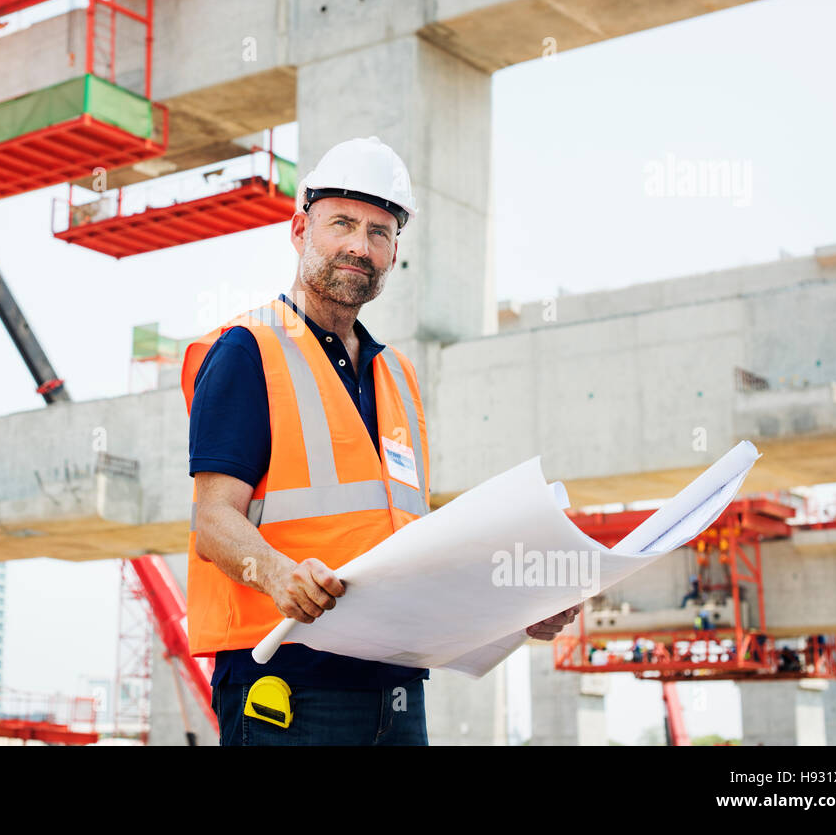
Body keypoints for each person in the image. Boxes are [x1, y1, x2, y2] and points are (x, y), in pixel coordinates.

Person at [183, 137, 580, 746]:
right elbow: (212, 520)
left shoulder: (396, 374)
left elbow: (408, 541)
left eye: (379, 232)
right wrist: (278, 575)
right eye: (342, 222)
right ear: (299, 229)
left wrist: (519, 605)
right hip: (288, 685)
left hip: (396, 688)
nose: (358, 246)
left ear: (394, 251)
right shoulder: (247, 351)